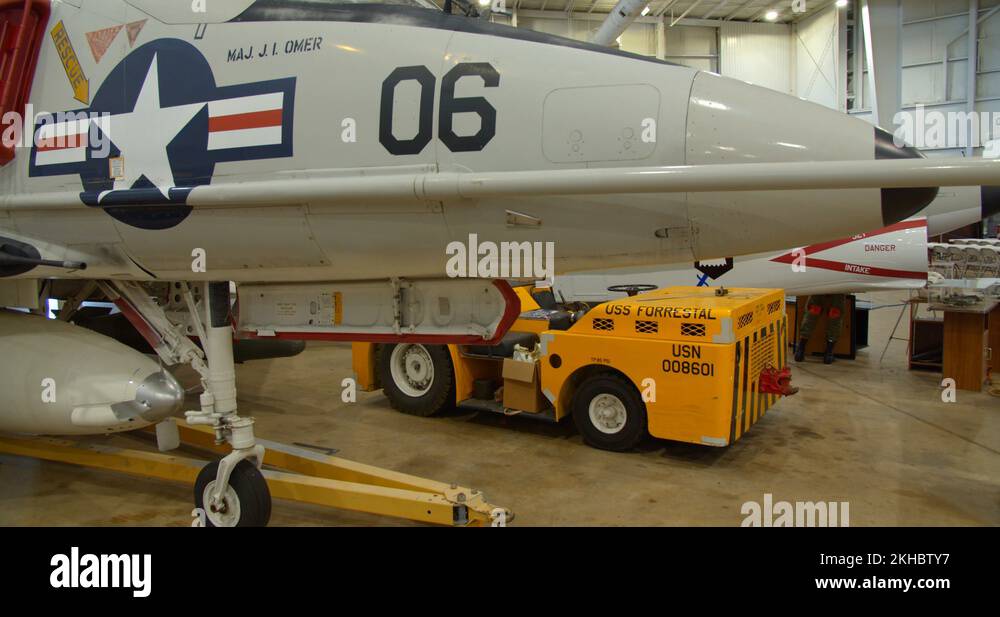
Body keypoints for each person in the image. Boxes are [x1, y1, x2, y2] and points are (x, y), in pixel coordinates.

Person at [794, 294, 847, 365]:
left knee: (813, 311)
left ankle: (800, 351)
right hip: (838, 288)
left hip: (819, 286)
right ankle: (828, 354)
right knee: (835, 313)